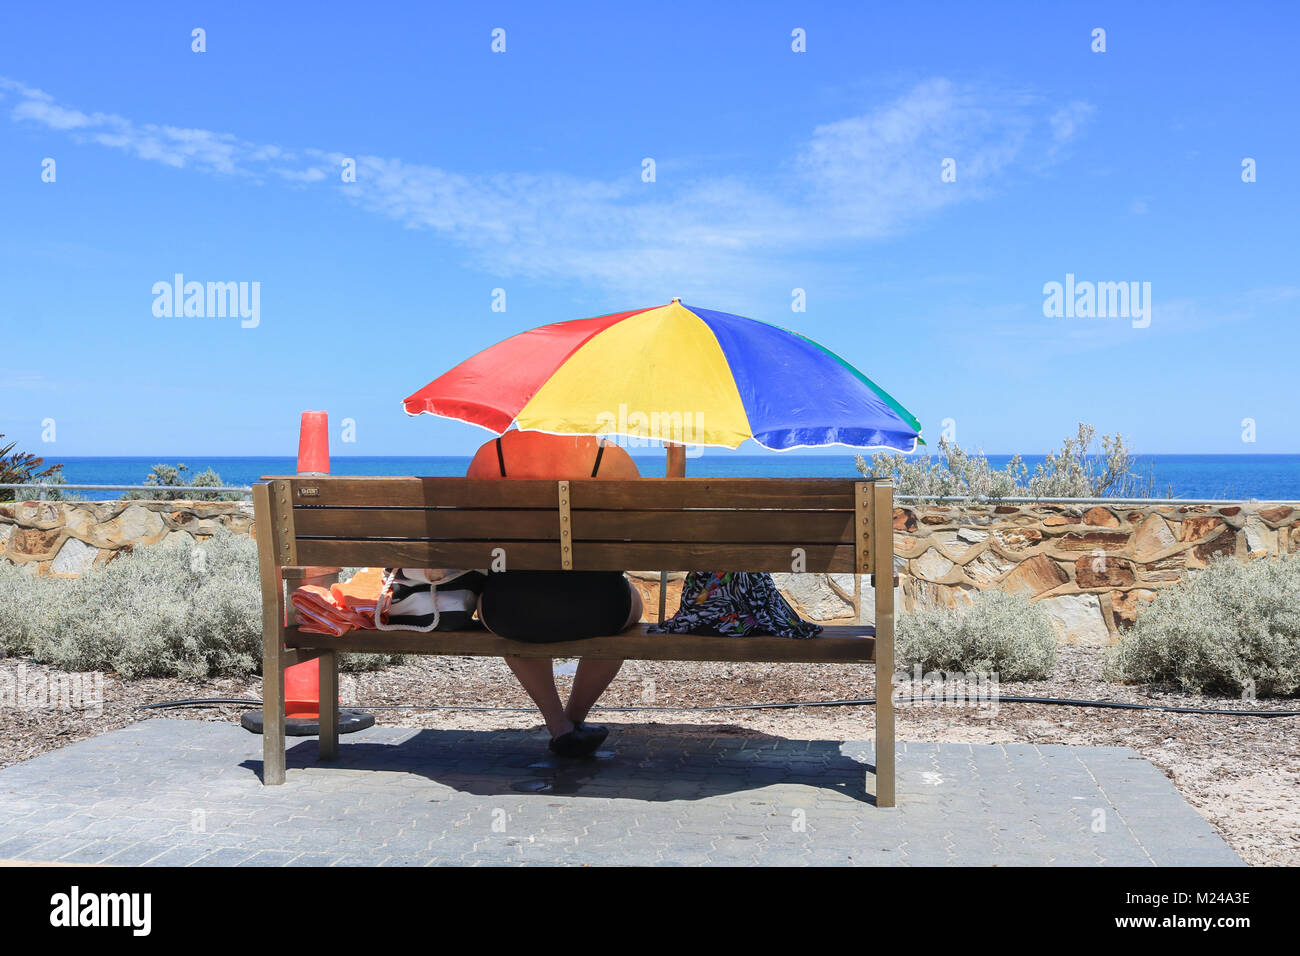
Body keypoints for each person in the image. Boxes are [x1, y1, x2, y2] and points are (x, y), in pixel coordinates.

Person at [467, 430, 642, 757]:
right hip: (601, 606)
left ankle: (558, 725)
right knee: (632, 614)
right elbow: (639, 536)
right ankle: (573, 720)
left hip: (510, 608)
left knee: (512, 608)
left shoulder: (490, 455)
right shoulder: (612, 456)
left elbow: (472, 536)